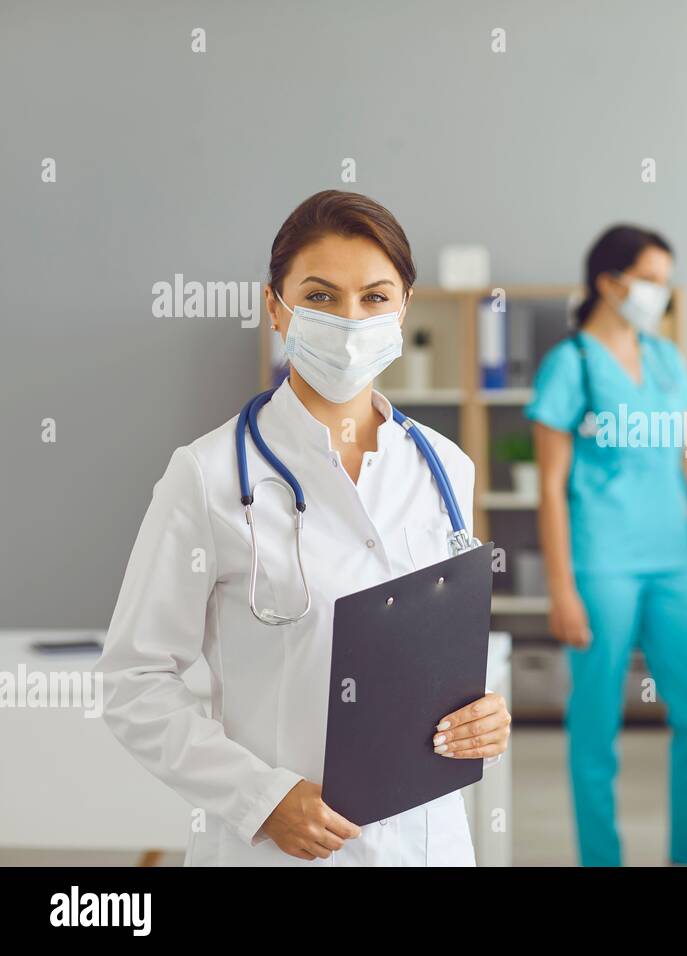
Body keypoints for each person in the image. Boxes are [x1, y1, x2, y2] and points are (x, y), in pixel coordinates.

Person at [97, 190, 510, 866]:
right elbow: (133, 682)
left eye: (375, 298)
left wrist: (484, 717)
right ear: (275, 308)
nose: (350, 321)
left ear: (404, 307)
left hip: (426, 844)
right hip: (279, 851)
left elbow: (442, 655)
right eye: (320, 297)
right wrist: (260, 798)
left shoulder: (445, 469)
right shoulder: (205, 475)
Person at [527, 224, 687, 866]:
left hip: (674, 561)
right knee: (596, 726)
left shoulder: (666, 359)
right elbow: (549, 486)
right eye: (651, 278)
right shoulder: (569, 365)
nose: (661, 291)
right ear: (610, 281)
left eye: (665, 279)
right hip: (601, 564)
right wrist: (561, 588)